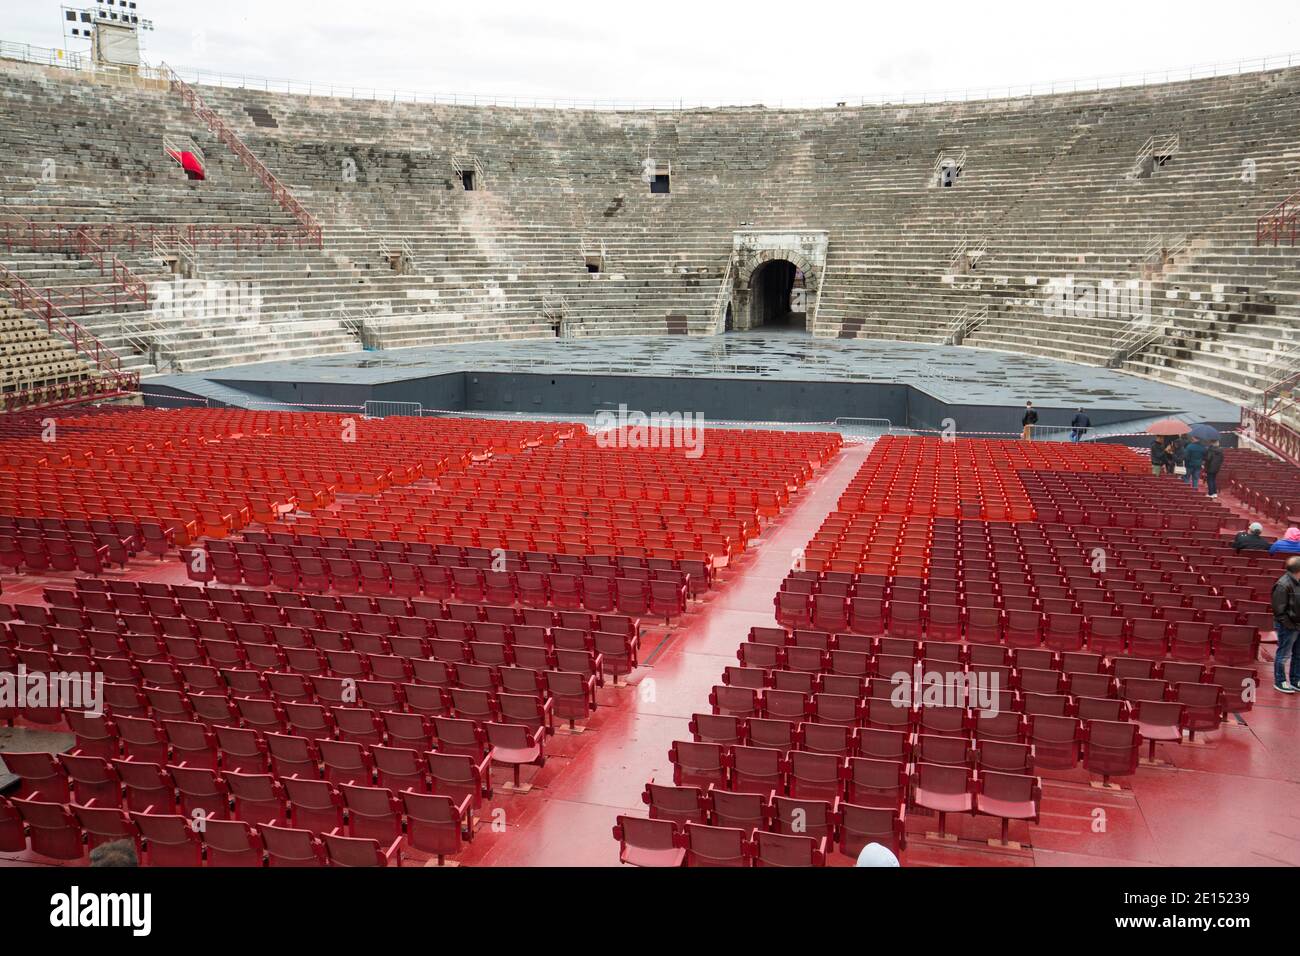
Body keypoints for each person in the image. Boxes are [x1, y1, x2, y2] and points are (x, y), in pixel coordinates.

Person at [1271, 555, 1300, 693]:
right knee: (1283, 655)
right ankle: (1280, 681)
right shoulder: (1283, 584)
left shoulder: (1297, 581)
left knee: (1298, 654)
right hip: (1288, 627)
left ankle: (1295, 680)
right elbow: (1279, 611)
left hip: (1298, 625)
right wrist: (1290, 626)